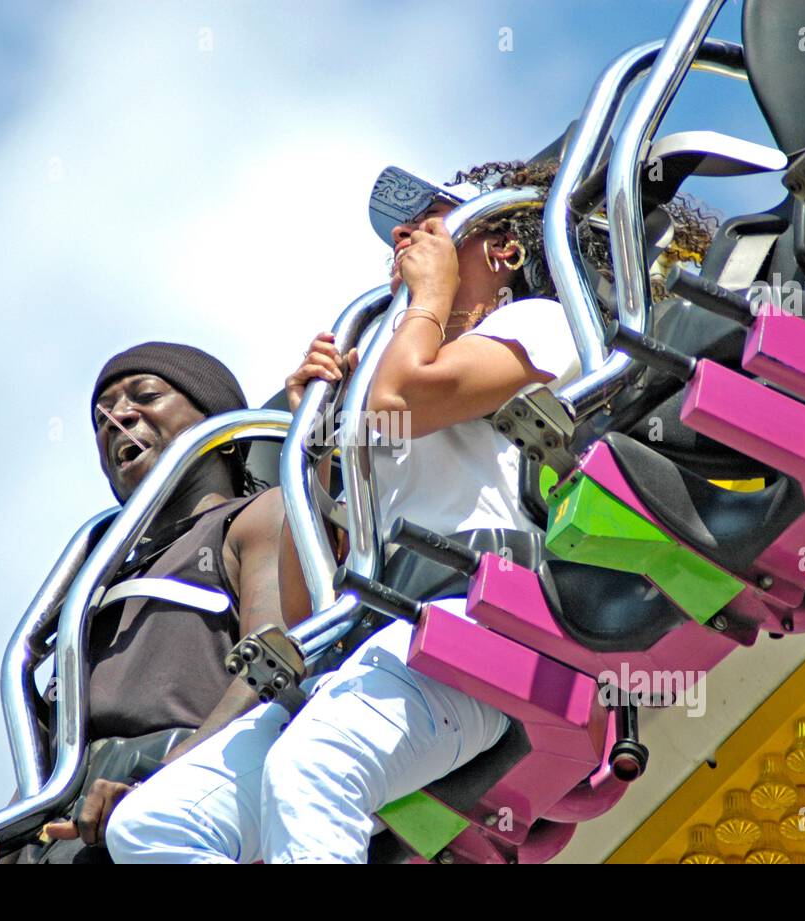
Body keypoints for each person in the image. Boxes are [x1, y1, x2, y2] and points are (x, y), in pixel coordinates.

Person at [105, 159, 586, 863]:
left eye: (429, 228)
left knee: (312, 772)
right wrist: (318, 444)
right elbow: (303, 604)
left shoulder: (540, 322)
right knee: (153, 824)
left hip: (475, 628)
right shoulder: (378, 392)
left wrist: (425, 302)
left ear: (502, 251)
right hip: (366, 645)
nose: (402, 245)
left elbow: (404, 401)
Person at [12, 342, 288, 862]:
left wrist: (164, 784)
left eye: (145, 395)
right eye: (102, 418)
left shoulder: (253, 519)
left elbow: (271, 667)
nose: (117, 419)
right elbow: (44, 763)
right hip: (74, 824)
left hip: (189, 796)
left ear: (223, 432)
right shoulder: (93, 586)